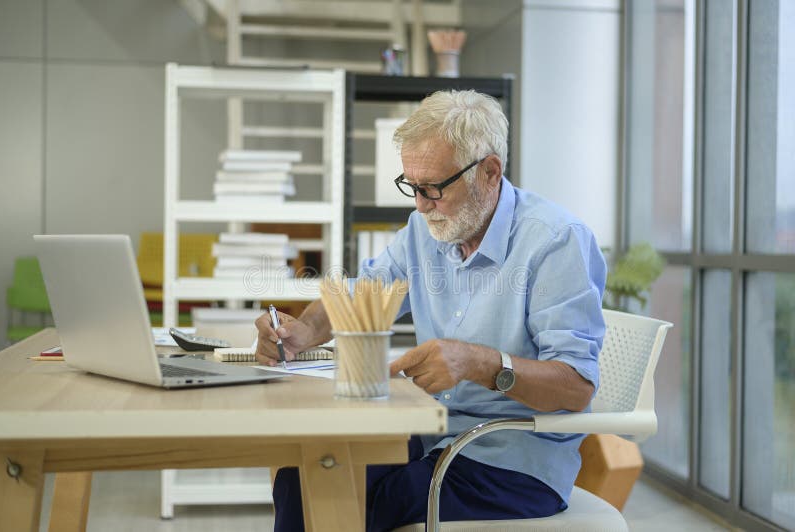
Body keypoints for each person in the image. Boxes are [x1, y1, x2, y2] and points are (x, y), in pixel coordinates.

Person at [255, 89, 607, 531]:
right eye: (412, 187)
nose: (421, 204)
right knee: (305, 476)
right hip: (430, 434)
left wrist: (479, 364)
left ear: (490, 172)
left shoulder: (556, 242)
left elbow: (576, 386)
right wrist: (303, 331)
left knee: (347, 498)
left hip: (511, 459)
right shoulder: (424, 231)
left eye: (434, 188)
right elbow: (363, 293)